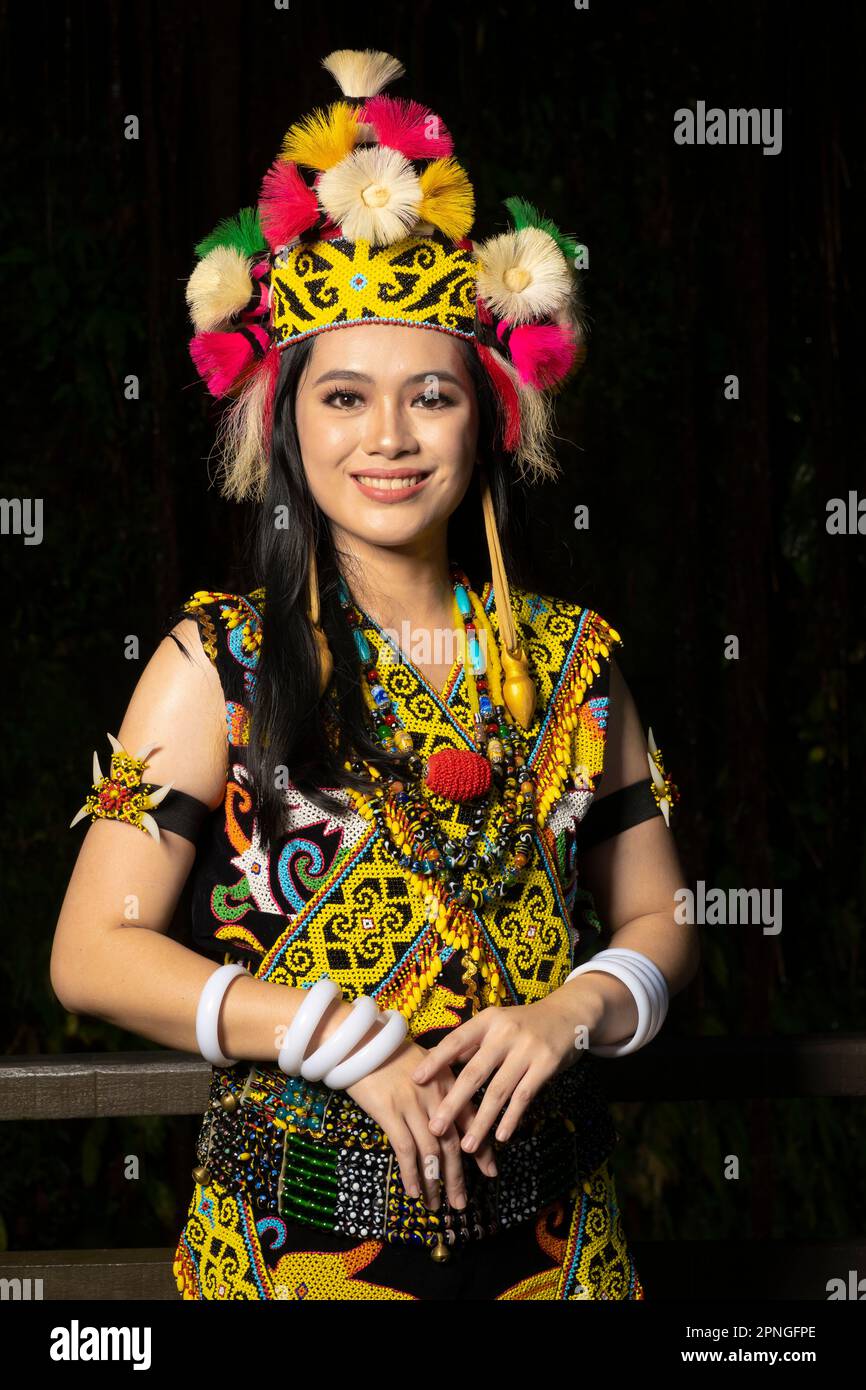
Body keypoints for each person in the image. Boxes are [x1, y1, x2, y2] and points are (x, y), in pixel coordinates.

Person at [52, 46, 698, 1301]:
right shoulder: (216, 661)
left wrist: (570, 1012)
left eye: (431, 399)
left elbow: (663, 921)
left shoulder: (573, 660)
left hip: (562, 1254)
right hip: (293, 1259)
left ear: (491, 415)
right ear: (285, 419)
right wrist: (334, 1036)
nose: (387, 440)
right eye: (343, 397)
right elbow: (93, 951)